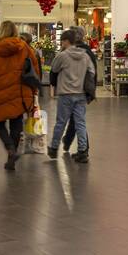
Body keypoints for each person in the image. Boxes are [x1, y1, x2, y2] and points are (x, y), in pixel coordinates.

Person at [0, 20, 40, 171]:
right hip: (20, 90)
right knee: (16, 120)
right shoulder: (25, 48)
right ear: (15, 31)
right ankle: (11, 155)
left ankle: (10, 149)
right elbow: (35, 69)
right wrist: (34, 89)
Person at [48, 29, 96, 163]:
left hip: (65, 94)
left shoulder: (62, 56)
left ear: (65, 41)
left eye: (62, 41)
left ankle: (53, 148)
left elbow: (54, 70)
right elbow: (91, 71)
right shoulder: (85, 55)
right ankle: (82, 151)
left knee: (61, 122)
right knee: (80, 123)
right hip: (80, 94)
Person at [61, 39, 98, 155]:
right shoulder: (89, 52)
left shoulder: (71, 53)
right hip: (84, 90)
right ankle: (69, 141)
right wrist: (91, 91)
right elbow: (93, 72)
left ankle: (83, 149)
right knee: (76, 118)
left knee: (77, 119)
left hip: (72, 90)